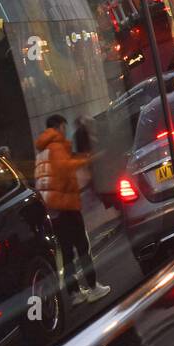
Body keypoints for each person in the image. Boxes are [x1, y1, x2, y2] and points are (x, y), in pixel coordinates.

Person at [35, 115, 111, 303]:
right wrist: (88, 160)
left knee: (67, 253)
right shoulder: (55, 146)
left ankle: (75, 293)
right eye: (64, 127)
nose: (65, 131)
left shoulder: (43, 150)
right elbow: (64, 166)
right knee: (83, 247)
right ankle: (93, 287)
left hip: (54, 209)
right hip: (66, 205)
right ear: (60, 126)